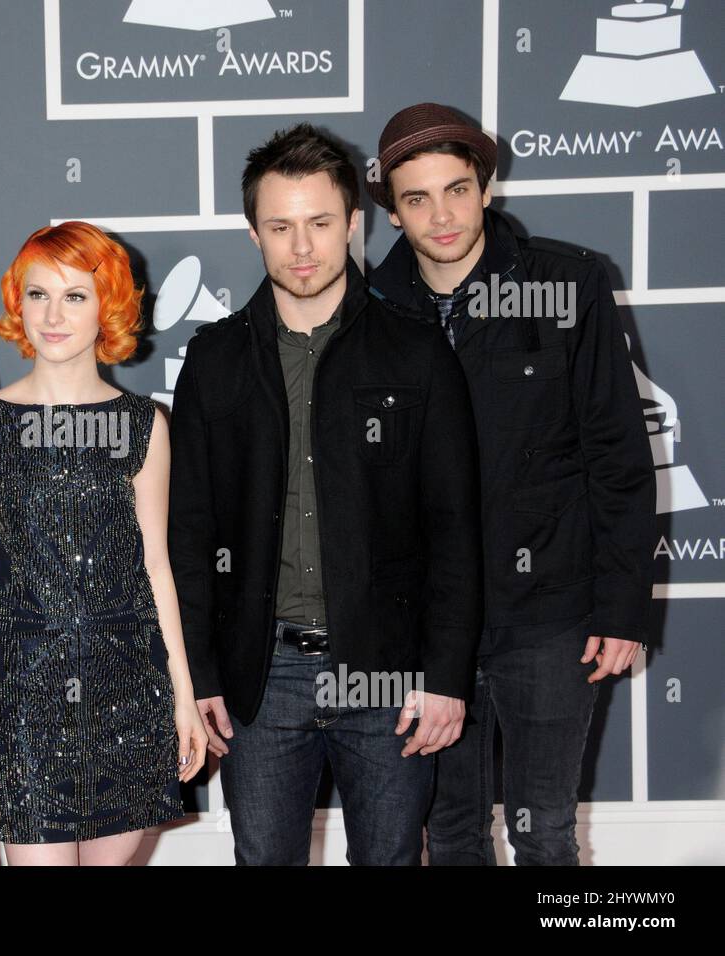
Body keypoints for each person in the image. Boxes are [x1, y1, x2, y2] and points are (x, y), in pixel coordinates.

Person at [167, 123, 483, 865]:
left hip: (388, 671)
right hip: (260, 674)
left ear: (353, 222)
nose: (301, 246)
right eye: (280, 226)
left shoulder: (416, 348)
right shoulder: (215, 359)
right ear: (254, 233)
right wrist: (202, 675)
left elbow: (456, 528)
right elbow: (188, 531)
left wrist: (445, 678)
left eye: (318, 223)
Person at [367, 103, 656, 865]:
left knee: (544, 830)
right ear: (392, 213)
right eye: (418, 198)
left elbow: (618, 456)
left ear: (486, 188)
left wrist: (623, 605)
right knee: (452, 830)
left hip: (552, 615)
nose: (442, 215)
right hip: (431, 628)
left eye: (457, 189)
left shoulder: (570, 282)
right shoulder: (366, 311)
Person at [0, 220, 207, 865]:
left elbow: (155, 569)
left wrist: (182, 698)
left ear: (108, 305)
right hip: (22, 691)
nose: (53, 315)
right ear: (17, 304)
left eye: (75, 296)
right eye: (38, 295)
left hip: (127, 685)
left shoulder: (144, 425)